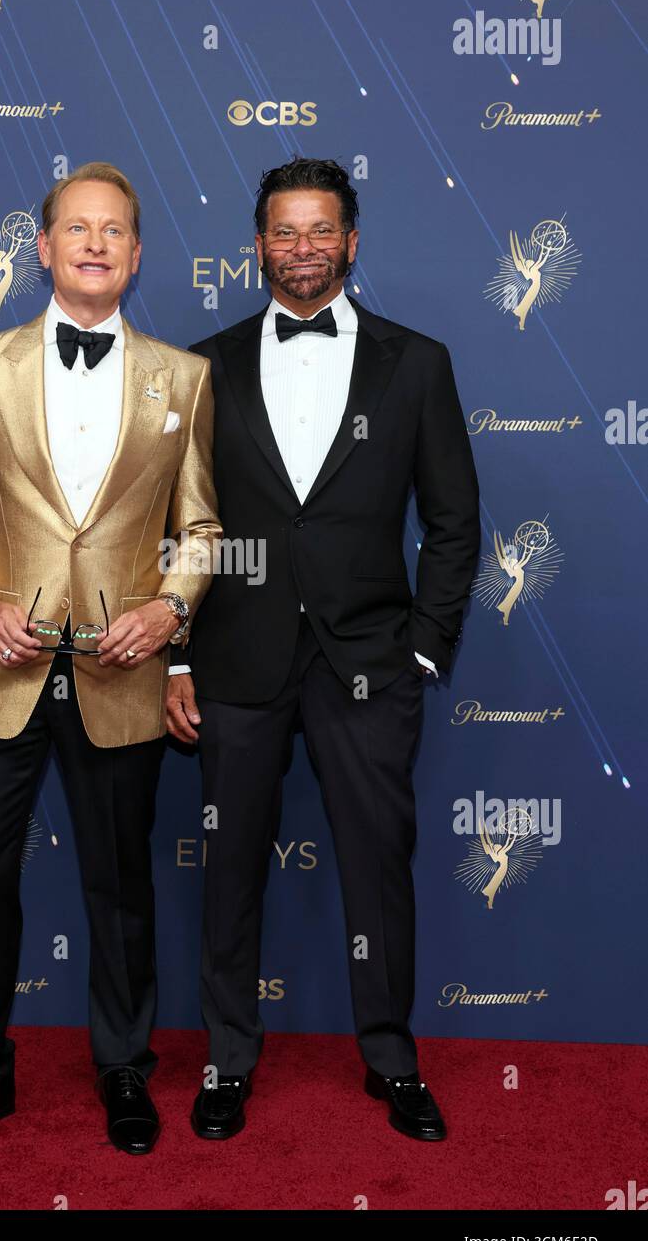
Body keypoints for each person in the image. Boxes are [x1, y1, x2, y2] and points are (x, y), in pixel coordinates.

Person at [0, 162, 220, 1161]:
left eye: (114, 230)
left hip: (122, 675)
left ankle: (126, 1069)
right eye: (75, 228)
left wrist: (169, 611)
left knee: (120, 886)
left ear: (135, 253)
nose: (93, 243)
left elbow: (203, 526)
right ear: (41, 248)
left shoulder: (185, 379)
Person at [167, 157, 480, 1143]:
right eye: (284, 231)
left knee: (378, 866)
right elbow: (178, 526)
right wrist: (174, 656)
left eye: (321, 231)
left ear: (351, 241)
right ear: (258, 244)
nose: (301, 248)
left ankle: (391, 1058)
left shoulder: (416, 362)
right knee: (228, 869)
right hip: (235, 660)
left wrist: (424, 650)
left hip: (370, 663)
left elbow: (455, 520)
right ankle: (227, 1060)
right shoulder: (201, 364)